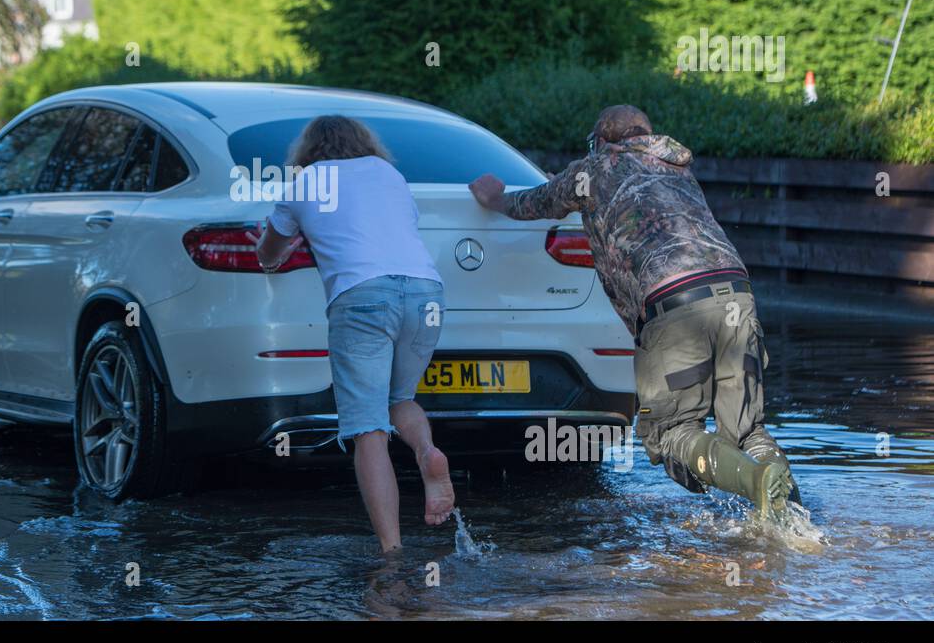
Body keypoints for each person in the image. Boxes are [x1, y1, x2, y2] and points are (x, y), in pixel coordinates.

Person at [468, 105, 800, 517]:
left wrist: (494, 198)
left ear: (602, 141)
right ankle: (793, 519)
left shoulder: (596, 168)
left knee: (672, 431)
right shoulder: (675, 166)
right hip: (737, 292)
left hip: (675, 304)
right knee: (747, 430)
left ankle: (755, 483)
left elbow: (537, 202)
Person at [253, 115, 454, 552]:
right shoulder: (389, 174)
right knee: (401, 398)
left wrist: (273, 245)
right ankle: (426, 454)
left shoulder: (305, 182)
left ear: (306, 149)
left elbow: (268, 254)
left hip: (362, 296)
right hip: (426, 293)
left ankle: (391, 550)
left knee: (368, 429)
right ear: (365, 142)